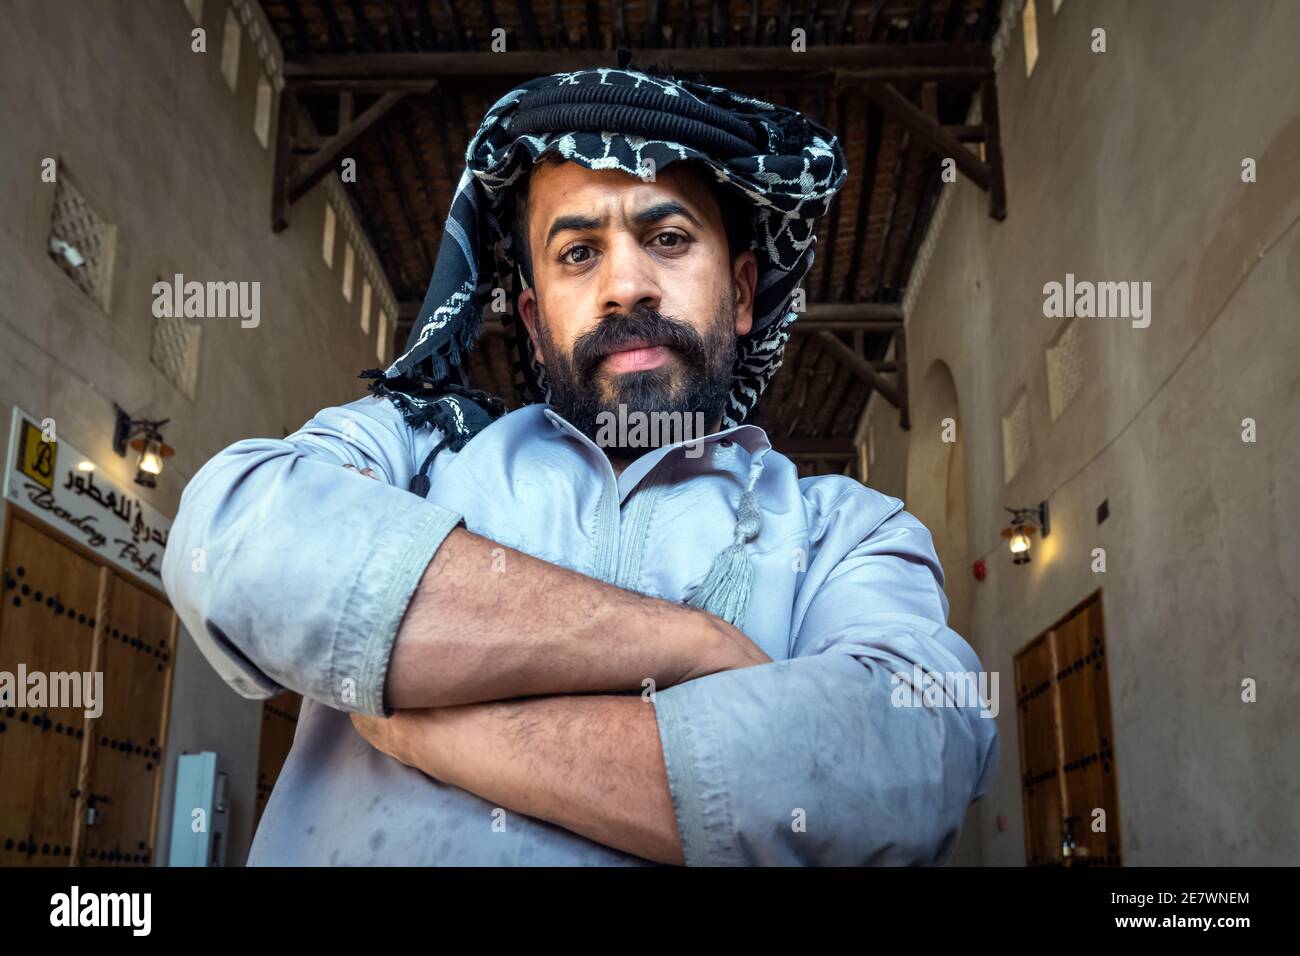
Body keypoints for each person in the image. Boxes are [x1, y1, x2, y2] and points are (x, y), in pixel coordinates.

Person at [162, 64, 998, 866]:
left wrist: (441, 727)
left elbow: (910, 748)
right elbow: (231, 542)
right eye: (577, 254)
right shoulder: (418, 447)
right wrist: (688, 641)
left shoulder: (843, 531)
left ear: (743, 294)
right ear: (531, 319)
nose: (626, 285)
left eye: (667, 238)